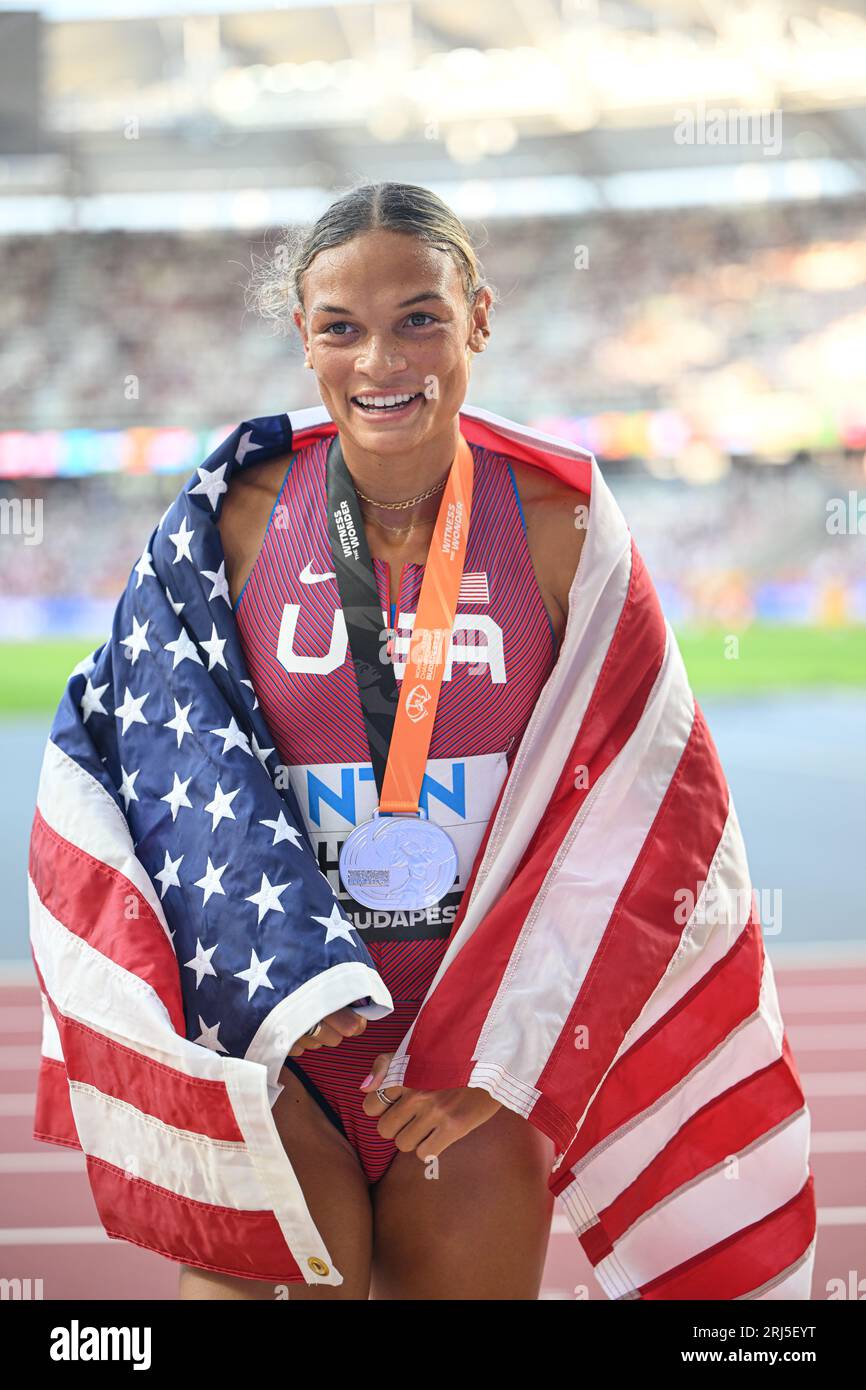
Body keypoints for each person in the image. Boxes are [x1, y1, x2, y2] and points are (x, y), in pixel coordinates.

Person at [178, 181, 591, 1299]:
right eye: (340, 328)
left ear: (479, 317)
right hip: (281, 1058)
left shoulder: (562, 531)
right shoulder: (232, 521)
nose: (380, 360)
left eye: (419, 316)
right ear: (303, 339)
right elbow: (158, 789)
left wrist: (501, 1061)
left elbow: (626, 814)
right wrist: (257, 1009)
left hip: (471, 1064)